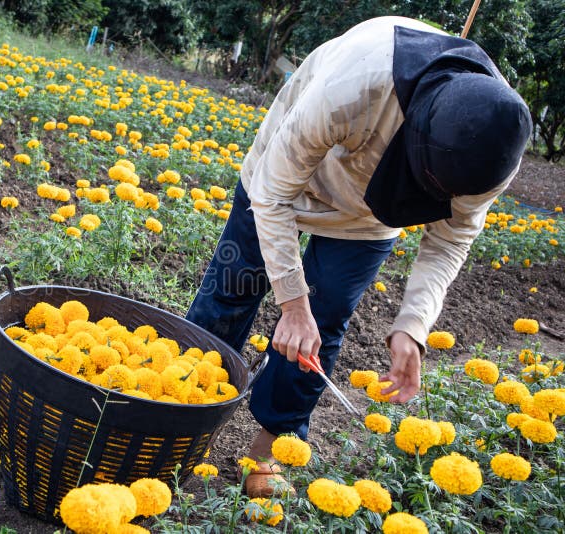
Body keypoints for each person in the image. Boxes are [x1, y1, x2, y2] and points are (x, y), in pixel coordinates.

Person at [185, 16, 531, 497]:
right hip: (284, 180)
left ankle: (271, 450)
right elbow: (271, 194)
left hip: (368, 222)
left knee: (321, 325)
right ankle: (178, 418)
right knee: (231, 291)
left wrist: (413, 326)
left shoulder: (493, 148)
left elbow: (449, 241)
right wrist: (290, 302)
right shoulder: (356, 84)